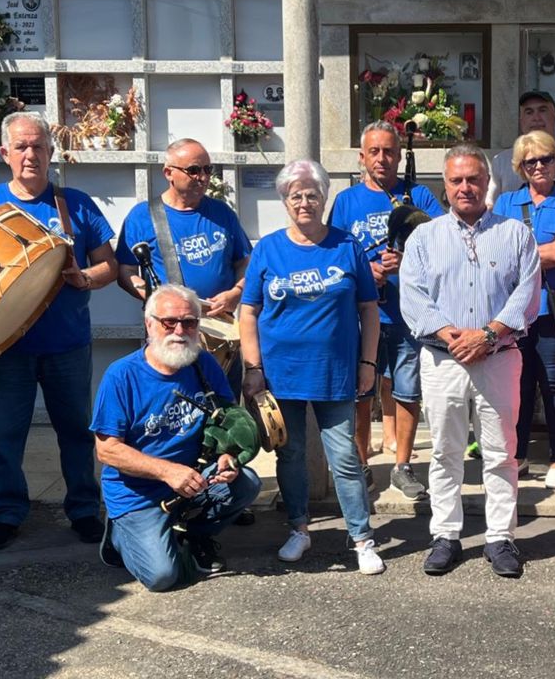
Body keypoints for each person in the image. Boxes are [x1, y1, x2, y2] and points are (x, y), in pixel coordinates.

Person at [0, 111, 118, 551]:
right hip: (6, 347)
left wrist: (85, 278)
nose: (31, 154)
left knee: (75, 432)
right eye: (22, 147)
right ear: (5, 153)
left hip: (67, 344)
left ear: (51, 152)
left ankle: (84, 510)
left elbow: (109, 264)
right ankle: (7, 515)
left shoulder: (76, 204)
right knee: (6, 435)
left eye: (38, 146)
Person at [400, 144, 541, 578]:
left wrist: (488, 334)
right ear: (445, 187)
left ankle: (501, 538)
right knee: (445, 452)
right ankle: (445, 535)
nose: (466, 187)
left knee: (501, 453)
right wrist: (450, 334)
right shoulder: (424, 237)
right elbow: (413, 295)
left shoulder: (516, 233)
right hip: (444, 362)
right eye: (457, 180)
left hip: (498, 357)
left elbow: (528, 291)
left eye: (473, 179)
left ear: (487, 183)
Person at [240, 160, 385, 574]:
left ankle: (361, 538)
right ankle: (299, 529)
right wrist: (253, 367)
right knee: (291, 455)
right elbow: (248, 312)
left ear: (324, 198)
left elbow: (369, 310)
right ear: (284, 200)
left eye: (312, 194)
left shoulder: (347, 246)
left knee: (344, 457)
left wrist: (368, 361)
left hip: (335, 370)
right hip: (280, 374)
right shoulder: (267, 248)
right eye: (295, 195)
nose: (304, 202)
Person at [92, 284, 262, 591]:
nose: (179, 330)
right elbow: (107, 451)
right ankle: (119, 535)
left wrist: (227, 456)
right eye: (169, 322)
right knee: (162, 577)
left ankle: (195, 536)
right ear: (149, 324)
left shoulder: (203, 363)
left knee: (247, 482)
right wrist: (167, 471)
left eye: (189, 322)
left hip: (194, 479)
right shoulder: (121, 376)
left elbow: (224, 421)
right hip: (138, 493)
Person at [328, 121, 446, 500]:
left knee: (408, 392)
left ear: (400, 155)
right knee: (363, 392)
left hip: (409, 315)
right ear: (362, 157)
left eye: (389, 151)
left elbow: (445, 245)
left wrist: (406, 259)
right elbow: (335, 251)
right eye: (374, 152)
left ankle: (403, 464)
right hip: (363, 316)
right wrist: (369, 271)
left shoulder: (419, 196)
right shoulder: (346, 201)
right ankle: (361, 465)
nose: (382, 158)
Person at [492, 131, 555, 489]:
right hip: (512, 309)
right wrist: (535, 254)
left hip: (552, 308)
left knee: (552, 381)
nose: (539, 167)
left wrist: (517, 255)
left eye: (545, 159)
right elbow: (492, 250)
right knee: (516, 383)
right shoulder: (505, 201)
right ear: (520, 167)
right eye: (530, 161)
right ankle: (515, 455)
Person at [115, 139, 252, 386]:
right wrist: (156, 298)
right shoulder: (142, 216)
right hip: (171, 332)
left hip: (220, 331)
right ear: (168, 173)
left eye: (208, 170)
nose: (203, 177)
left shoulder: (222, 213)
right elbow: (124, 271)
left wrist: (236, 293)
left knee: (223, 408)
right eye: (194, 170)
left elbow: (245, 262)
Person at [484, 91, 555, 206]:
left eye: (542, 110)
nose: (536, 118)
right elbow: (490, 206)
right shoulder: (501, 161)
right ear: (521, 120)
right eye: (529, 112)